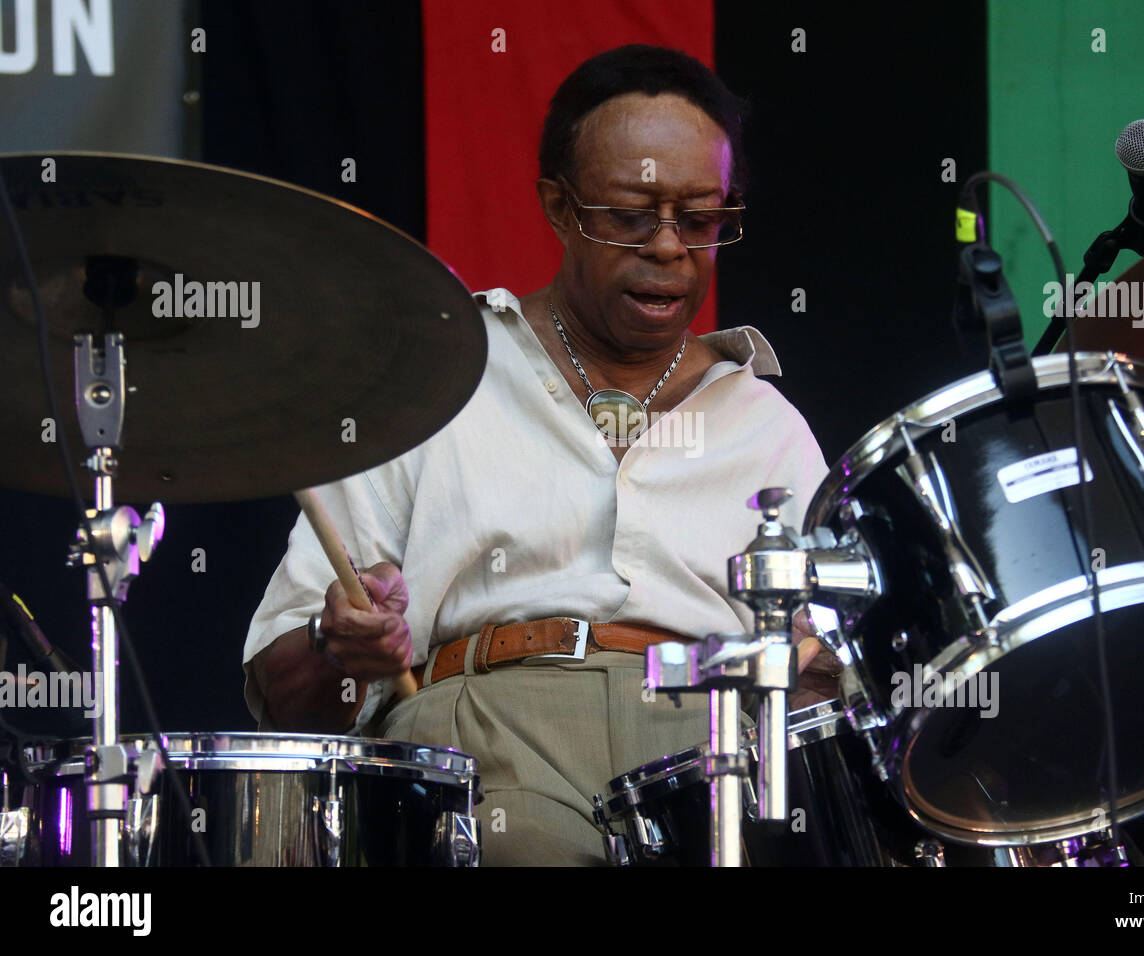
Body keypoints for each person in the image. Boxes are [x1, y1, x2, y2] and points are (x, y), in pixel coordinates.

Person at [243, 44, 831, 865]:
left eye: (700, 219)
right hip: (489, 739)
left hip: (716, 753)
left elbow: (828, 689)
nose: (669, 248)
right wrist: (336, 642)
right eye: (630, 214)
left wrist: (825, 672)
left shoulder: (768, 425)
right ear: (557, 207)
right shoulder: (438, 379)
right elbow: (284, 701)